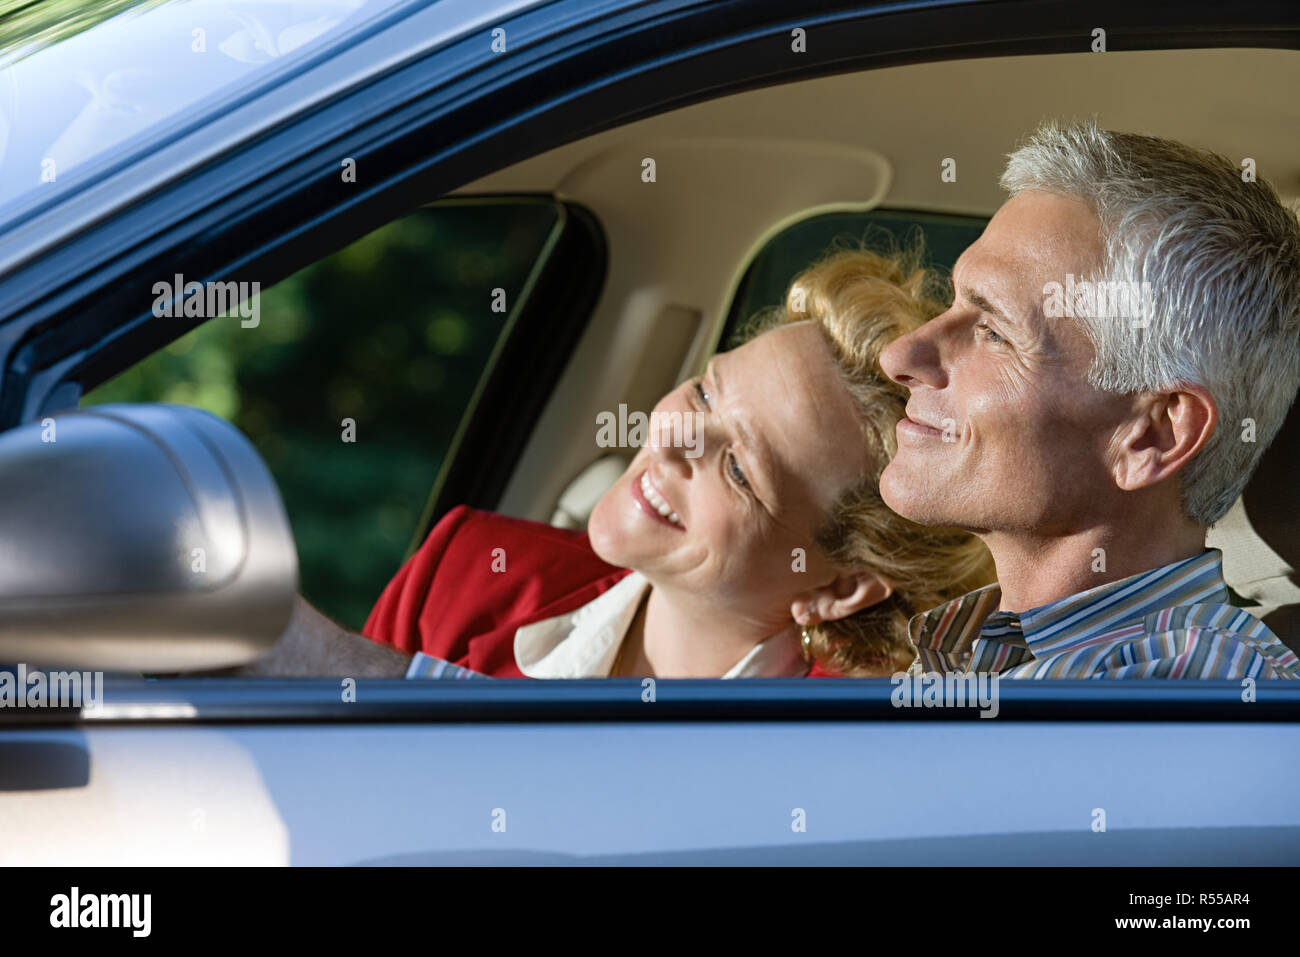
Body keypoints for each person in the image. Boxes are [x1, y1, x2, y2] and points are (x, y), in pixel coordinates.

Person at [246, 245, 994, 678]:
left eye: (740, 470)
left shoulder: (848, 764)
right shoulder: (464, 571)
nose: (674, 439)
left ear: (841, 586)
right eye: (705, 393)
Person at [878, 120, 1300, 680]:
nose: (901, 354)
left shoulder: (1186, 685)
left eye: (994, 331)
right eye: (952, 302)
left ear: (1152, 435)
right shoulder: (995, 657)